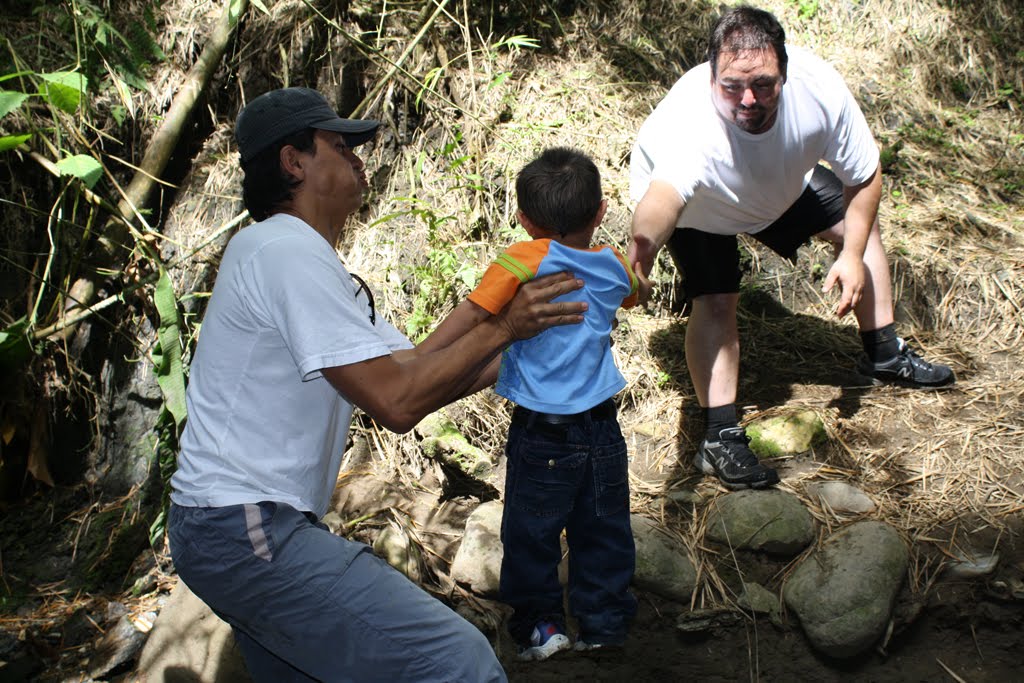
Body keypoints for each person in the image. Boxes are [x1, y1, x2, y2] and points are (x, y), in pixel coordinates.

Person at [166, 87, 589, 683]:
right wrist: (507, 324)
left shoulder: (305, 264)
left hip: (231, 530)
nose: (360, 159)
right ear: (294, 162)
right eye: (341, 146)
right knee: (459, 661)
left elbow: (418, 366)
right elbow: (396, 401)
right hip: (245, 527)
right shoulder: (283, 250)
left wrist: (529, 338)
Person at [628, 5, 955, 491]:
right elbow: (661, 203)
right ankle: (719, 437)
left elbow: (862, 176)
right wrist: (640, 259)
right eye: (732, 86)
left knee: (858, 231)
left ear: (785, 69)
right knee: (717, 300)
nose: (748, 100)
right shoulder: (690, 128)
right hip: (703, 209)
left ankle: (885, 354)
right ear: (711, 75)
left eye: (763, 84)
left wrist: (851, 255)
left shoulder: (819, 89)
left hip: (783, 186)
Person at [423, 147, 639, 661]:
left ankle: (542, 627)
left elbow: (475, 314)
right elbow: (633, 294)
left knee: (530, 530)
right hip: (603, 427)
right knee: (604, 526)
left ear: (524, 220)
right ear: (601, 212)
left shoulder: (523, 259)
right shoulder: (612, 264)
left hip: (544, 430)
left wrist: (421, 356)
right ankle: (603, 624)